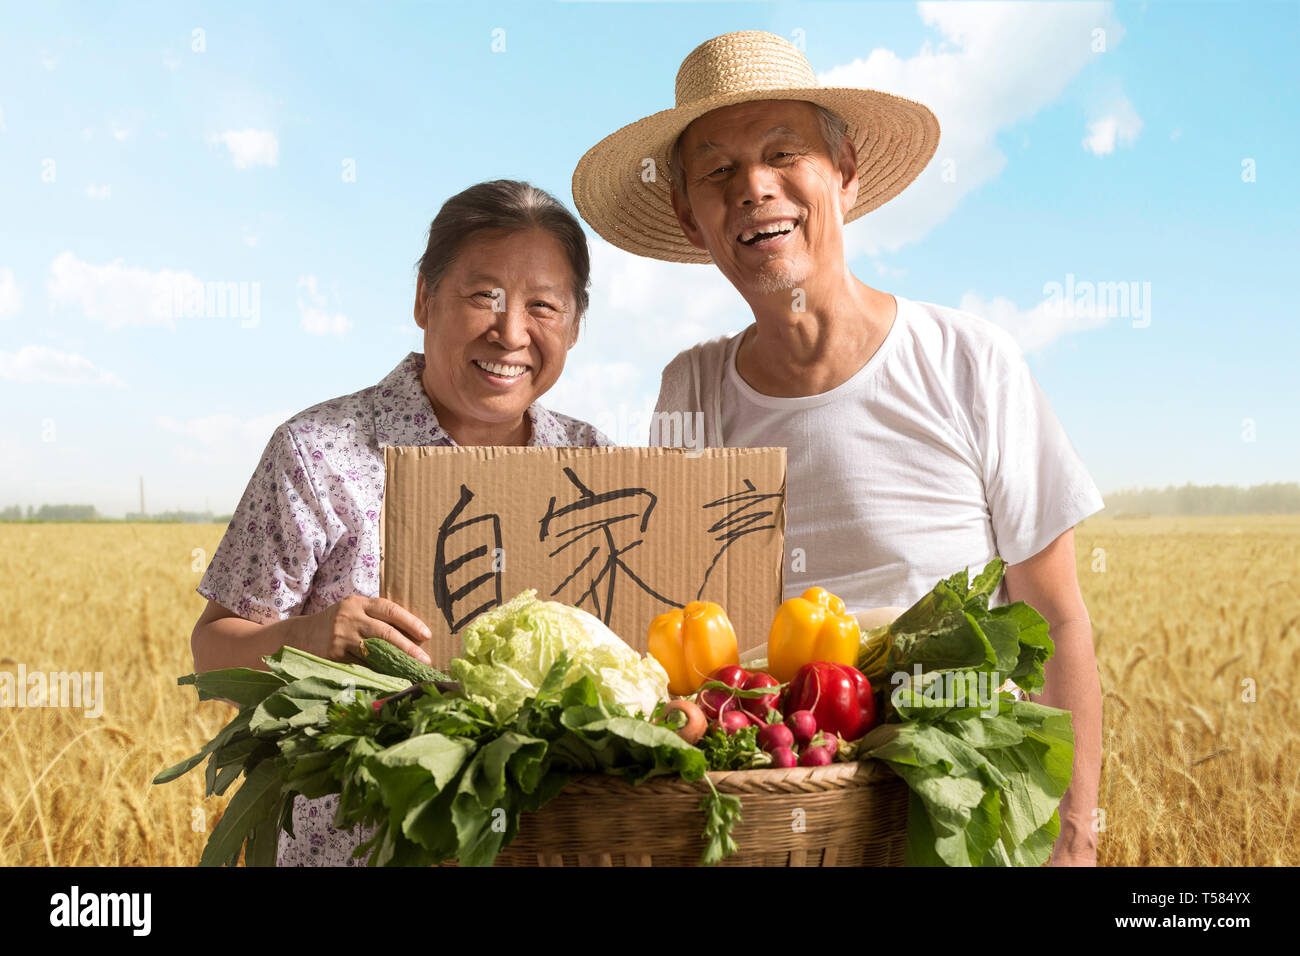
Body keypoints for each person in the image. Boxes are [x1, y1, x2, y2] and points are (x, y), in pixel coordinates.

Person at [572, 31, 1104, 866]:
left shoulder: (970, 361)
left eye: (784, 153)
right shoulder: (693, 389)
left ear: (845, 174)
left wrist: (1073, 838)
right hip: (782, 818)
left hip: (965, 812)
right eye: (716, 172)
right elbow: (681, 631)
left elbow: (1057, 614)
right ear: (688, 214)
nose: (753, 187)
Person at [189, 179, 611, 865]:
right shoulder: (318, 450)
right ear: (424, 298)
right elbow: (211, 653)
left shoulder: (590, 460)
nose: (511, 333)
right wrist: (310, 637)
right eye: (485, 297)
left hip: (544, 845)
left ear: (572, 326)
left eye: (544, 307)